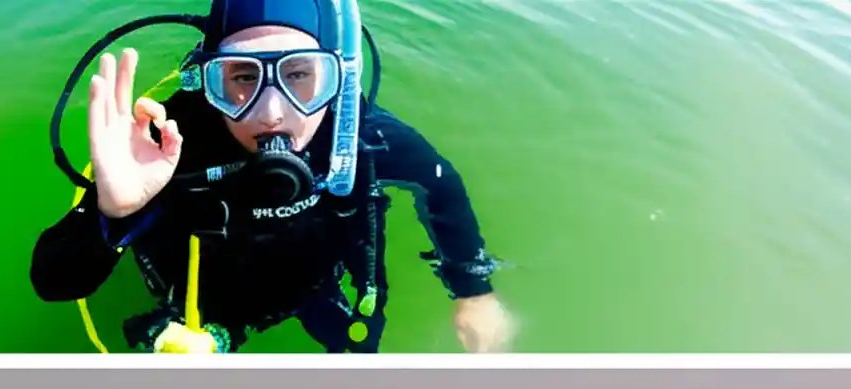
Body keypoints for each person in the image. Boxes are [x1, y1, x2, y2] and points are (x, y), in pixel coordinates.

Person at [33, 0, 514, 353]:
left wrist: (474, 291)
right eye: (242, 77)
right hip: (199, 307)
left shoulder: (360, 136)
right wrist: (113, 213)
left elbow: (441, 182)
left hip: (315, 287)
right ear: (210, 79)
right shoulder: (169, 142)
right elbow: (53, 283)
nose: (272, 113)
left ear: (336, 79)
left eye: (300, 75)